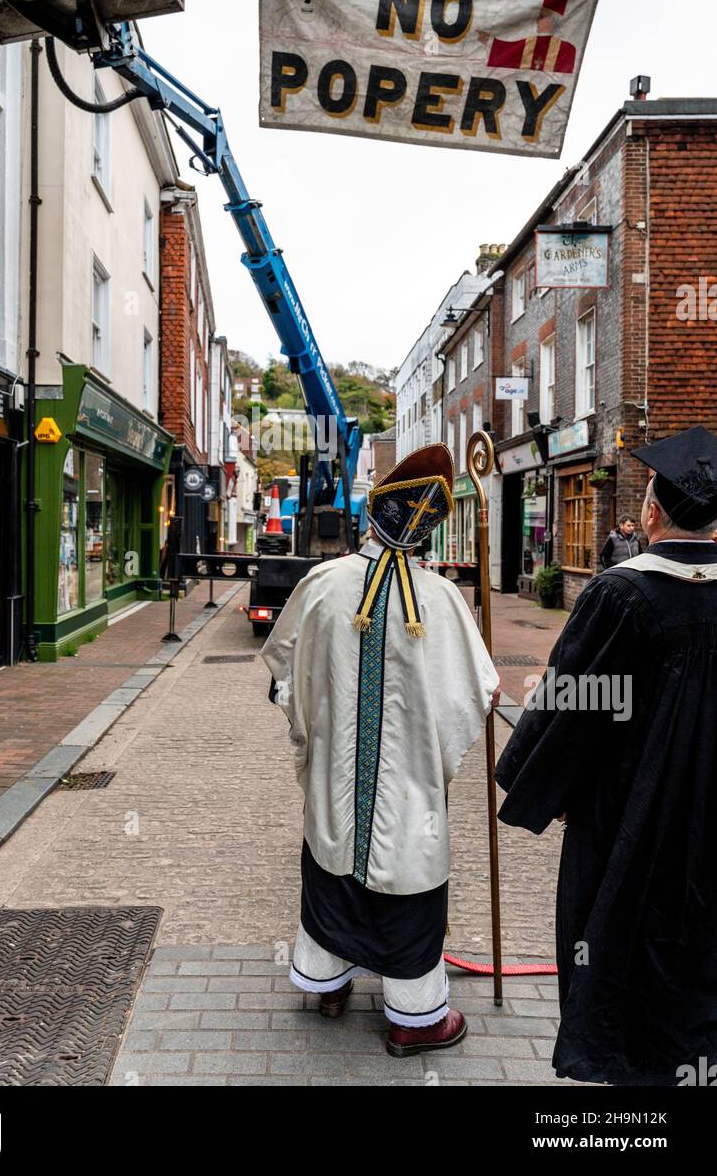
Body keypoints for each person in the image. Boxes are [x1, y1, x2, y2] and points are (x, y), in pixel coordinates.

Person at [496, 425, 717, 1086]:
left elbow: (573, 707)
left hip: (628, 815)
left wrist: (550, 789)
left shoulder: (621, 594)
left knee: (615, 939)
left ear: (649, 513)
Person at [262, 446, 499, 1057]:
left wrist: (316, 716)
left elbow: (282, 677)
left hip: (334, 782)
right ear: (423, 531)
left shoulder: (322, 583)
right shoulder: (443, 600)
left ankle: (330, 985)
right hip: (412, 792)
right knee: (407, 872)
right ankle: (414, 1019)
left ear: (373, 517)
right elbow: (480, 693)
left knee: (334, 852)